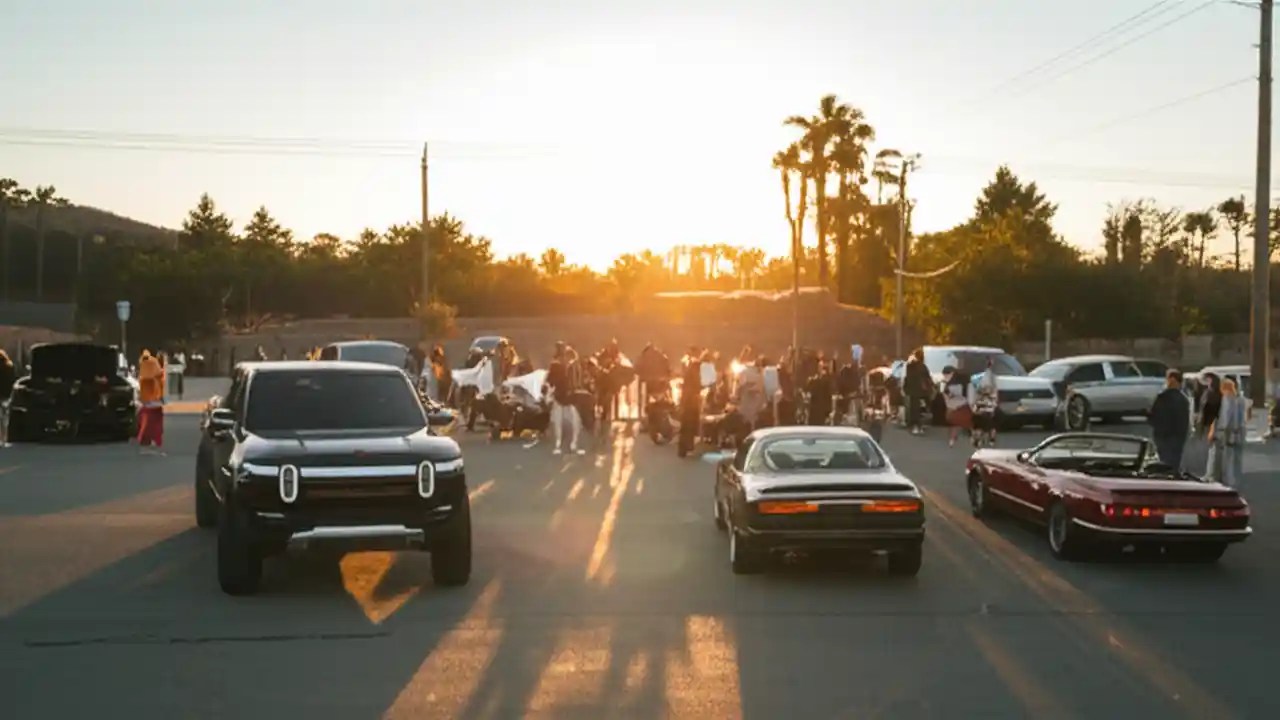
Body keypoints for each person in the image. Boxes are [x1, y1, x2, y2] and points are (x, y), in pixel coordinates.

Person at [543, 343, 584, 455]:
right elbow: (551, 382)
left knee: (564, 422)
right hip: (563, 396)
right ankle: (567, 444)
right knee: (567, 421)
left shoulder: (563, 366)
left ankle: (564, 444)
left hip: (564, 397)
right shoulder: (562, 366)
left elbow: (550, 381)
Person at [1207, 378, 1247, 487]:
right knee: (1233, 460)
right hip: (1235, 434)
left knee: (1221, 458)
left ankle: (1218, 480)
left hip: (1224, 434)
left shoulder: (1227, 399)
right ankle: (1231, 481)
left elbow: (1224, 419)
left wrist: (1216, 432)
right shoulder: (1239, 400)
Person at [1148, 369, 1191, 468]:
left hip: (1163, 436)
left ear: (1172, 380)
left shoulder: (1162, 397)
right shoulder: (1183, 399)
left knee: (1164, 462)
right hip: (1176, 437)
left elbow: (1152, 415)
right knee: (1174, 462)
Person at [136, 350, 166, 455]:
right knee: (154, 423)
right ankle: (151, 439)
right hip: (153, 401)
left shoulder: (146, 368)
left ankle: (145, 438)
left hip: (149, 401)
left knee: (146, 421)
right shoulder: (154, 367)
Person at [677, 347, 704, 458]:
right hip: (691, 400)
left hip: (687, 399)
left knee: (686, 425)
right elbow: (698, 383)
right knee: (690, 424)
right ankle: (686, 447)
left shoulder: (690, 366)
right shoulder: (695, 368)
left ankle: (684, 448)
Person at [969, 359, 999, 447]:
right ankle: (991, 440)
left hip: (980, 405)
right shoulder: (992, 377)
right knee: (990, 425)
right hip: (989, 406)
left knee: (979, 425)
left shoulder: (976, 378)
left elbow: (972, 393)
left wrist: (973, 406)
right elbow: (995, 392)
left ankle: (979, 440)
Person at [941, 365, 972, 447]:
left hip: (957, 405)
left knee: (954, 422)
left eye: (946, 375)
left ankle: (952, 439)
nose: (945, 376)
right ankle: (967, 433)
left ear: (952, 373)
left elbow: (948, 394)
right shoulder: (962, 380)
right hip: (961, 404)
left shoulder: (951, 384)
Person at [903, 351, 931, 435]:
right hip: (921, 390)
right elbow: (927, 378)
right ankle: (919, 425)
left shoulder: (909, 366)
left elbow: (906, 378)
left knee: (912, 407)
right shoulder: (923, 366)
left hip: (911, 390)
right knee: (920, 408)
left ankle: (913, 424)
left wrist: (905, 388)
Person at [805, 360, 834, 426]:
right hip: (814, 410)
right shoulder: (812, 381)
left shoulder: (826, 381)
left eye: (822, 367)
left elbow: (829, 396)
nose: (821, 369)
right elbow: (808, 393)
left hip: (822, 411)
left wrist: (828, 412)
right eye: (819, 367)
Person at [0, 349, 15, 446]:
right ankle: (4, 439)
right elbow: (12, 382)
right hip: (6, 396)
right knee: (5, 419)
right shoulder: (9, 367)